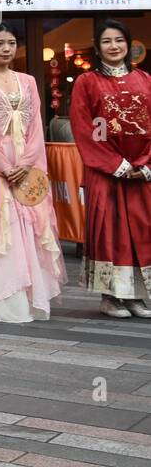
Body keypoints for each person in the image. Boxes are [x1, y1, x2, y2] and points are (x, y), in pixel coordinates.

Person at [0, 24, 65, 322]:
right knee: (0, 226)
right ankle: (5, 297)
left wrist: (27, 161)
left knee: (30, 224)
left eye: (11, 43)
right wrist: (5, 167)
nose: (6, 49)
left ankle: (33, 295)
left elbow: (35, 127)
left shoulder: (29, 81)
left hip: (27, 163)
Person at [69, 17, 151, 318]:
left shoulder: (145, 80)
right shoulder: (87, 83)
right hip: (105, 171)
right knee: (110, 232)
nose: (113, 46)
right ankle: (111, 297)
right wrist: (116, 164)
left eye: (119, 40)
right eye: (106, 41)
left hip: (141, 173)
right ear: (97, 47)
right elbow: (84, 128)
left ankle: (135, 296)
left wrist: (143, 164)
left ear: (129, 44)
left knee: (141, 232)